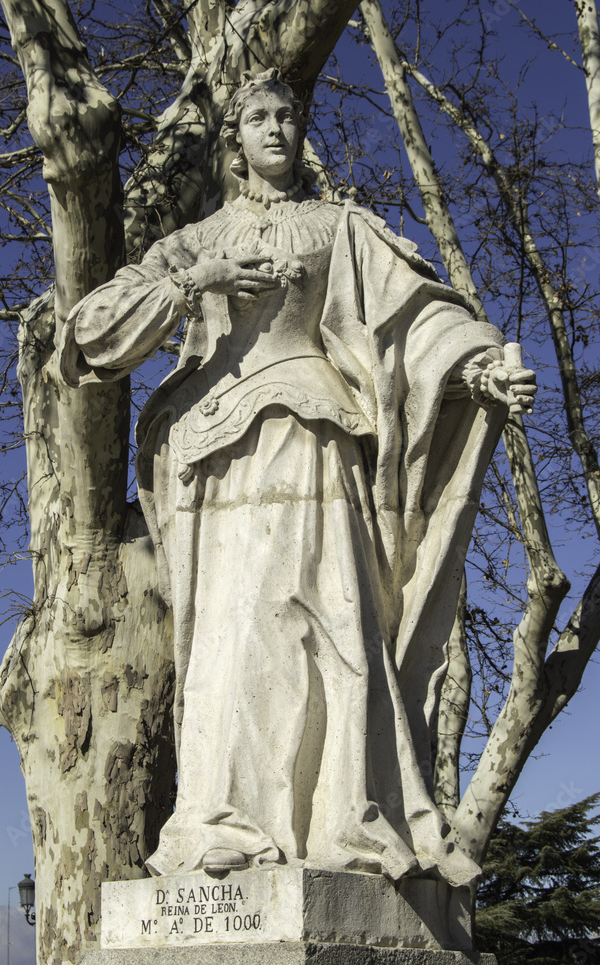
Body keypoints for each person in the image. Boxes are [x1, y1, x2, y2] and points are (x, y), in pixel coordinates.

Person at [60, 69, 535, 886]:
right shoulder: (197, 241)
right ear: (234, 141)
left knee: (328, 621)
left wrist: (480, 368)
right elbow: (90, 332)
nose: (276, 128)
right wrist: (194, 284)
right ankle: (221, 820)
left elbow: (417, 319)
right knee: (230, 635)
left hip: (315, 435)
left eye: (287, 114)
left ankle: (341, 816)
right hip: (215, 457)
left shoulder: (339, 228)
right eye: (258, 118)